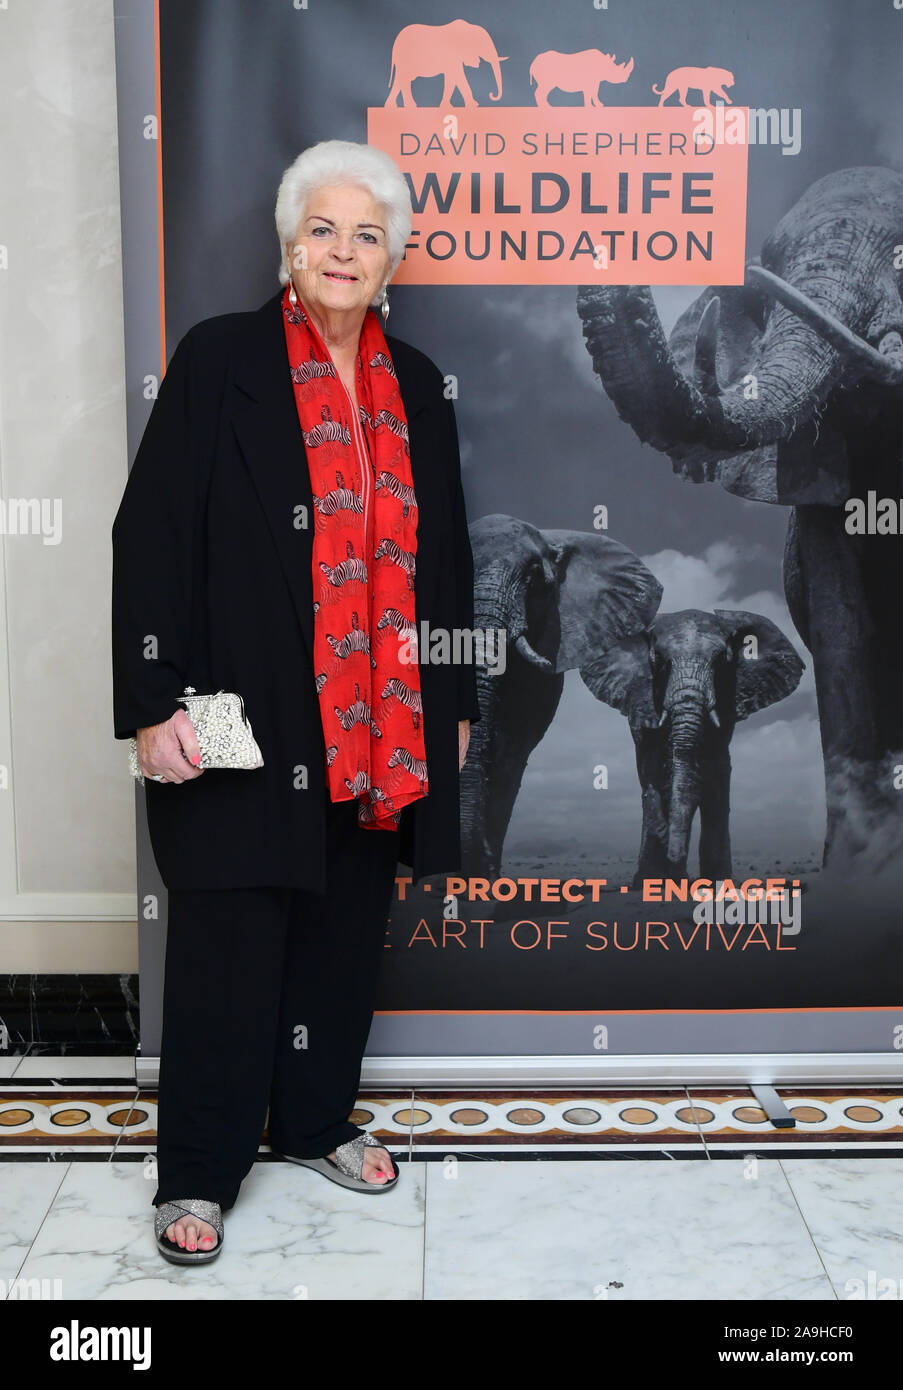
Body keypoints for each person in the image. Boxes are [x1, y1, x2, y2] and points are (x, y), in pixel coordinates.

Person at [111, 139, 480, 1264]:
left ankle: (316, 1119)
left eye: (367, 235)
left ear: (391, 262)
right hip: (243, 703)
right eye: (325, 229)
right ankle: (201, 1173)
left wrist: (450, 694)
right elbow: (153, 534)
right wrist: (149, 699)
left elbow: (449, 554)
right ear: (289, 245)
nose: (344, 251)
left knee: (338, 933)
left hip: (379, 717)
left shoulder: (415, 383)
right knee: (229, 937)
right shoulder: (219, 360)